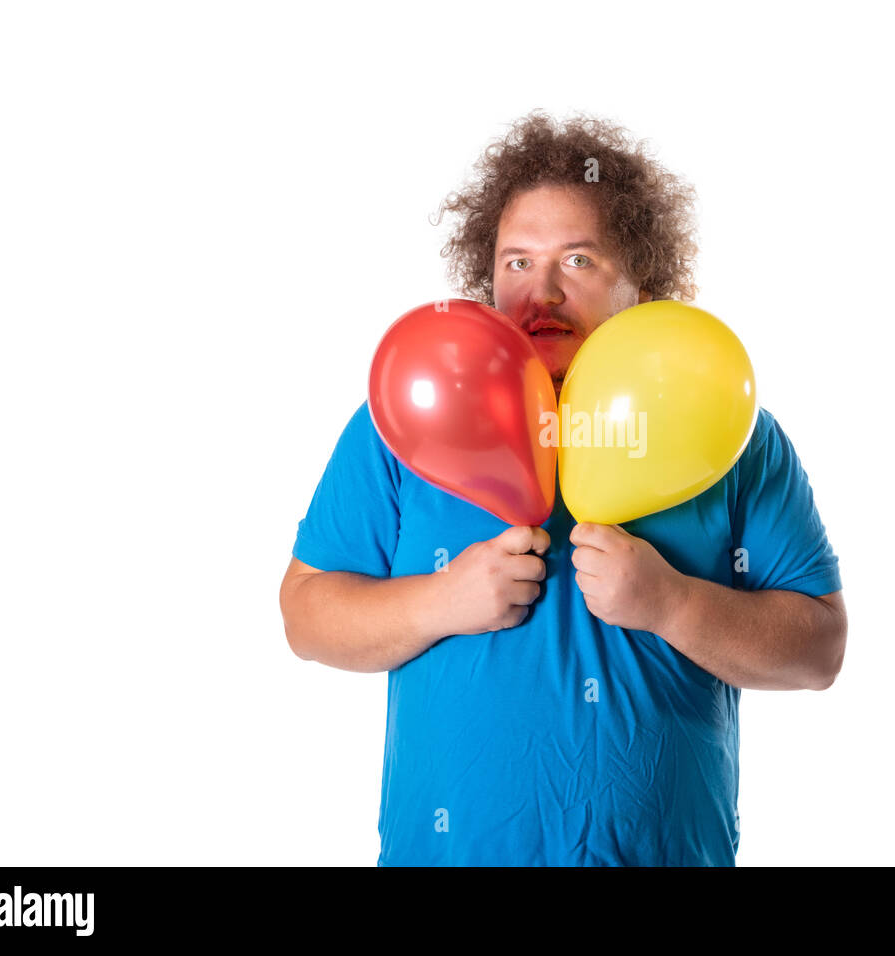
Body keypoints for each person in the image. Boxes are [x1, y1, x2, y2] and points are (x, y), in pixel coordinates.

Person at [278, 111, 847, 866]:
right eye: (516, 262)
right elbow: (305, 615)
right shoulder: (406, 415)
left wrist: (674, 603)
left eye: (577, 261)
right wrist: (441, 600)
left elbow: (819, 651)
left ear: (641, 279)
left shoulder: (732, 433)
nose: (539, 291)